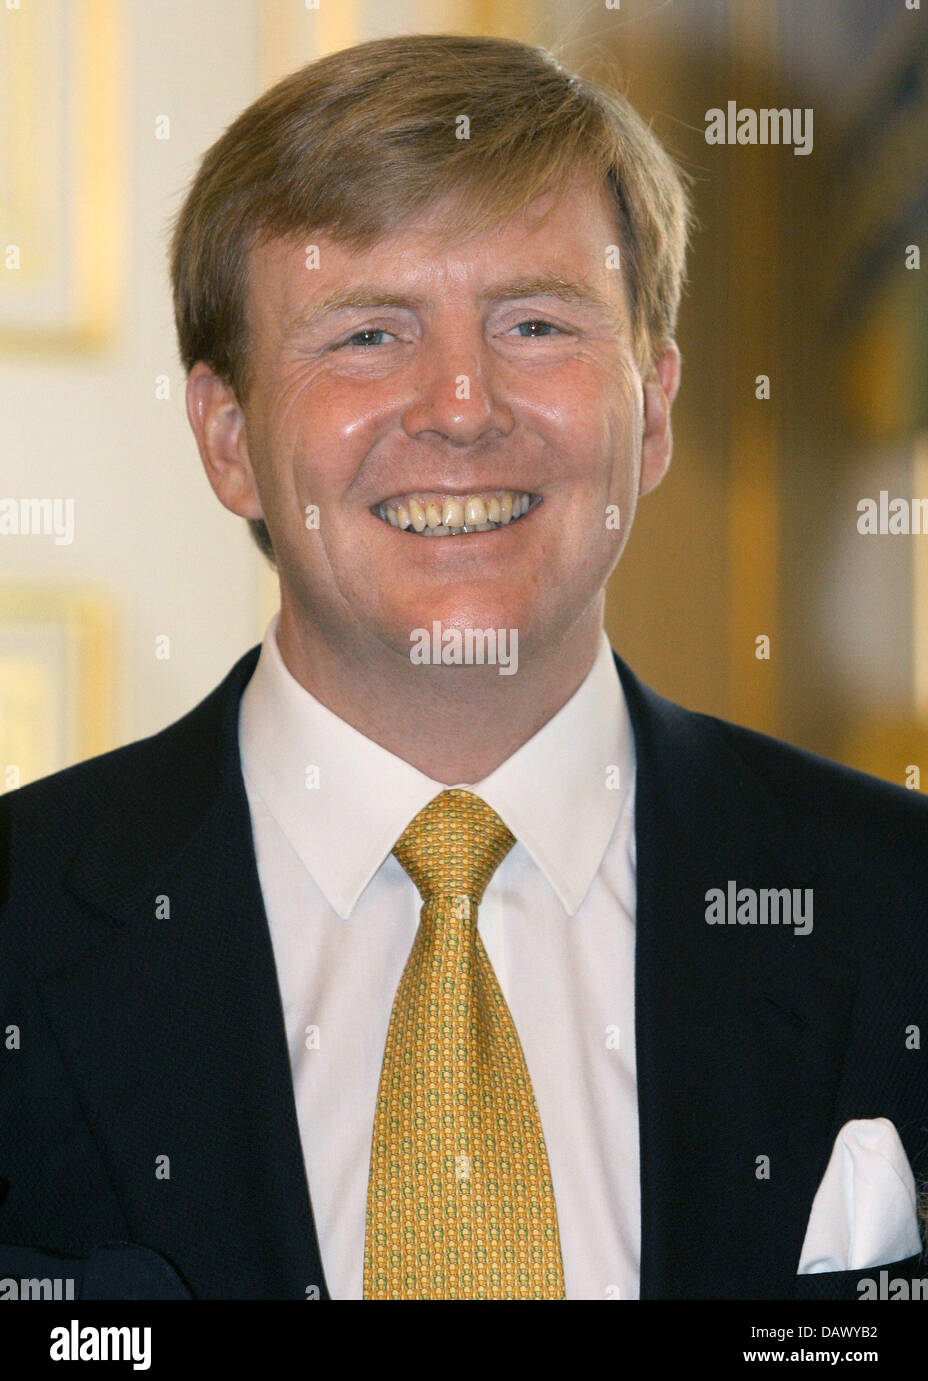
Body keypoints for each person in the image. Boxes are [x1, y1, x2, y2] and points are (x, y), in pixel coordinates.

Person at [1, 33, 926, 1301]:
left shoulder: (902, 907)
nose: (459, 405)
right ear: (227, 437)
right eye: (367, 335)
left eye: (535, 323)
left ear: (650, 412)